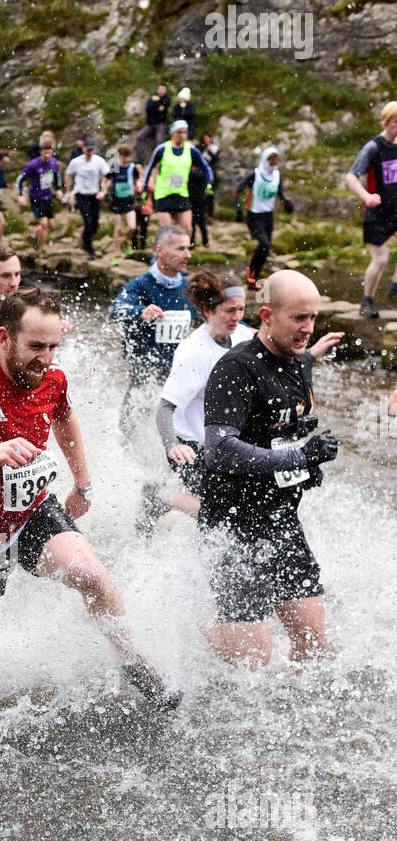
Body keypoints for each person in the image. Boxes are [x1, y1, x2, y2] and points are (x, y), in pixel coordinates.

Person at [0, 289, 180, 710]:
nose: (47, 357)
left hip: (32, 510)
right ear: (4, 338)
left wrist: (82, 483)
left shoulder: (54, 376)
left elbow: (64, 415)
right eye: (36, 346)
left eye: (54, 346)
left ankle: (130, 662)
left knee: (93, 576)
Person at [199, 270, 344, 668]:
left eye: (313, 318)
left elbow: (279, 434)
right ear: (266, 315)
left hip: (281, 519)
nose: (307, 329)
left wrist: (307, 466)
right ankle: (207, 631)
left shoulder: (297, 364)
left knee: (313, 649)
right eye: (298, 318)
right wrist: (298, 457)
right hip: (232, 526)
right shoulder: (236, 368)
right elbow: (220, 450)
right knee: (253, 666)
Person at [137, 269, 253, 533]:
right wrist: (171, 446)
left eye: (241, 310)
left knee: (240, 509)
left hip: (226, 442)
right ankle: (160, 496)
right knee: (219, 517)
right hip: (189, 447)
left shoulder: (244, 337)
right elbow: (164, 409)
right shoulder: (193, 352)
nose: (237, 317)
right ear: (208, 310)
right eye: (229, 311)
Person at [109, 224, 196, 439]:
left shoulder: (189, 289)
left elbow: (215, 317)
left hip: (178, 377)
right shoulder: (140, 286)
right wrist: (141, 312)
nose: (188, 254)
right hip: (145, 377)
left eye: (188, 248)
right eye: (180, 249)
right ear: (160, 251)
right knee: (132, 433)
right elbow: (116, 310)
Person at [345, 100, 397, 317]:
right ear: (386, 122)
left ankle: (395, 288)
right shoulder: (373, 147)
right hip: (377, 212)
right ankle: (367, 300)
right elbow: (351, 176)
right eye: (396, 121)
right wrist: (366, 196)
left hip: (396, 209)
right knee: (381, 259)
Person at [234, 146, 294, 287]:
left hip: (268, 216)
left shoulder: (277, 176)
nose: (273, 163)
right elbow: (237, 190)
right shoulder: (255, 175)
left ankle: (255, 276)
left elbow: (280, 192)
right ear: (264, 160)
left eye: (276, 160)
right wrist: (238, 210)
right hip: (254, 216)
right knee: (263, 244)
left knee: (266, 248)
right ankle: (251, 275)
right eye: (271, 160)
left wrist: (287, 202)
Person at [142, 121, 212, 235]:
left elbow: (206, 168)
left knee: (188, 229)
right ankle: (163, 251)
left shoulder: (191, 150)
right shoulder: (162, 149)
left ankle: (183, 252)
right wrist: (144, 189)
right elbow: (148, 169)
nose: (183, 135)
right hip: (164, 194)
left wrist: (209, 183)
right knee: (167, 232)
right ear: (173, 133)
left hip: (181, 193)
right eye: (179, 132)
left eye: (185, 132)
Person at [64, 137, 110, 259]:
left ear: (94, 150)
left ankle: (84, 238)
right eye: (87, 149)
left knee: (95, 223)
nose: (89, 152)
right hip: (81, 195)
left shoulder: (99, 161)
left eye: (91, 150)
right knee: (88, 220)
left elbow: (107, 176)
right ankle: (89, 249)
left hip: (94, 195)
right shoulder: (76, 162)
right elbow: (68, 175)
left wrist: (103, 191)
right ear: (83, 148)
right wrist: (68, 191)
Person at [17, 139, 61, 251]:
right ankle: (41, 248)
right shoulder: (33, 165)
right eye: (45, 153)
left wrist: (59, 189)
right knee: (44, 223)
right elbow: (20, 179)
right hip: (36, 197)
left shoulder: (53, 162)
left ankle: (34, 235)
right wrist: (20, 195)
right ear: (40, 152)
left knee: (51, 224)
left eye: (49, 153)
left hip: (48, 196)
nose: (47, 155)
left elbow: (57, 176)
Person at [105, 143, 142, 258]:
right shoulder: (114, 167)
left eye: (129, 156)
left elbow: (139, 179)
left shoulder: (132, 167)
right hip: (116, 201)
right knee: (118, 228)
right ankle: (116, 254)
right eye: (126, 156)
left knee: (132, 226)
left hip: (129, 200)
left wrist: (140, 191)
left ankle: (126, 241)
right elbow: (106, 180)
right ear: (120, 156)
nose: (128, 159)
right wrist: (104, 191)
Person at [134, 83, 170, 164]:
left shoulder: (166, 99)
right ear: (157, 90)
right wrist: (158, 108)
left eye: (163, 89)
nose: (161, 91)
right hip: (150, 124)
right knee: (139, 137)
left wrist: (158, 101)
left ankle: (160, 160)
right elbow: (148, 108)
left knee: (159, 140)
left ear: (165, 90)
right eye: (160, 89)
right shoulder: (152, 98)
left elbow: (166, 104)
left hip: (160, 124)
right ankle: (141, 159)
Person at [197, 133, 220, 217]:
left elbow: (216, 159)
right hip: (201, 174)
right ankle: (201, 214)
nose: (206, 140)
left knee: (209, 195)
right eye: (204, 138)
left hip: (211, 175)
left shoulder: (214, 148)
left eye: (207, 138)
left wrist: (208, 150)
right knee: (201, 196)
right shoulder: (200, 147)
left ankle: (210, 215)